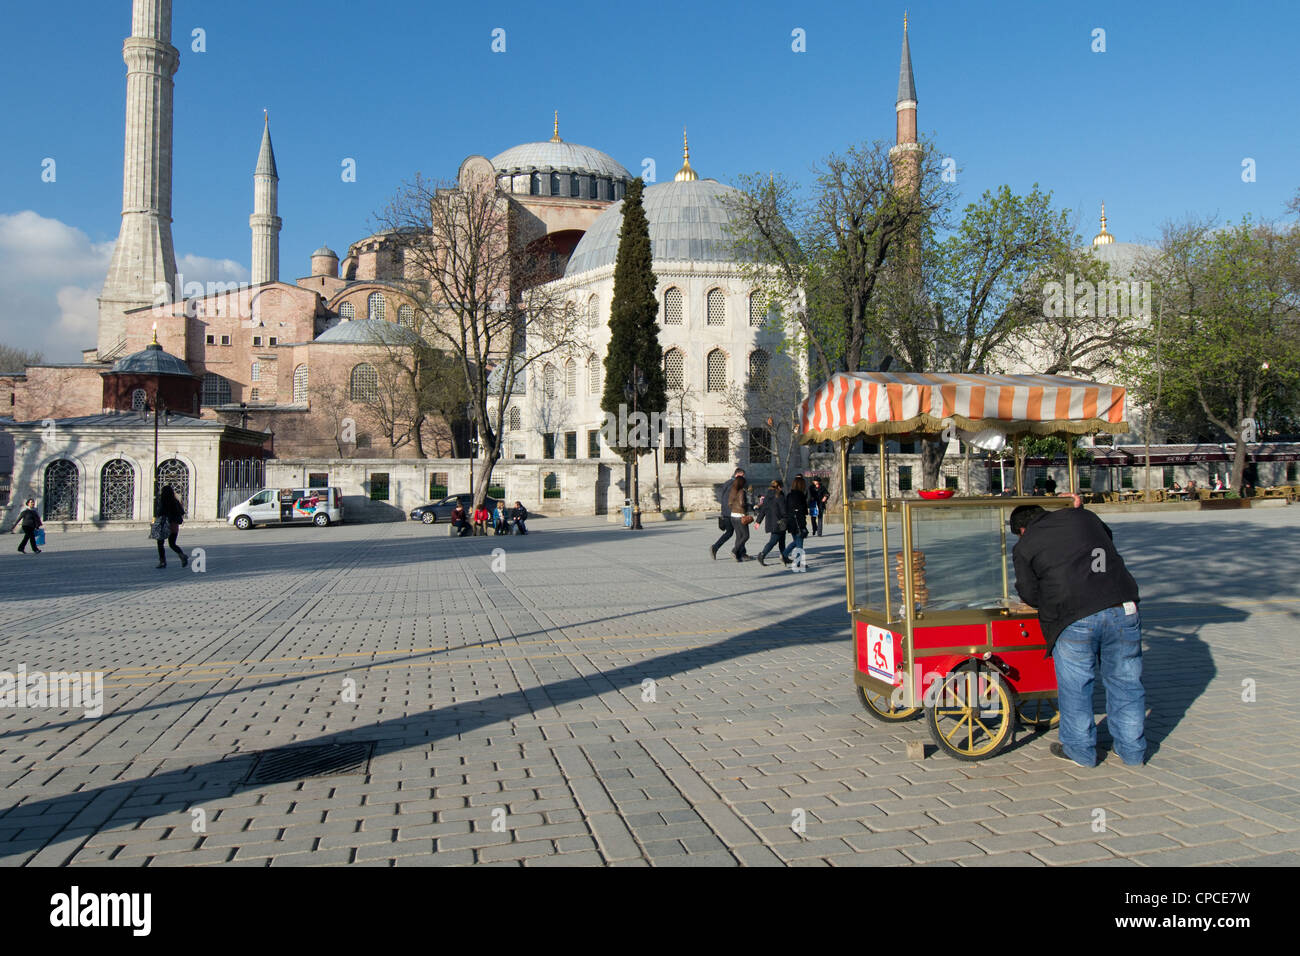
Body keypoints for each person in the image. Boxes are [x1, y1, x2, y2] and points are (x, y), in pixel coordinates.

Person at [1009, 503, 1145, 768]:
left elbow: (1029, 594)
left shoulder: (1025, 546)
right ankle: (1132, 751)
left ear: (1022, 530)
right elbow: (1105, 538)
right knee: (1126, 682)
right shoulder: (1083, 517)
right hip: (1123, 606)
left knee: (1077, 686)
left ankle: (1081, 751)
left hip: (1074, 616)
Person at [710, 467, 746, 559]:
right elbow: (732, 500)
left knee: (731, 533)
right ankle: (739, 553)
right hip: (732, 513)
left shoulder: (727, 483)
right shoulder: (734, 485)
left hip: (726, 512)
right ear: (737, 475)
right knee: (741, 533)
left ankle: (715, 547)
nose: (743, 478)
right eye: (742, 476)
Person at [756, 480, 789, 567]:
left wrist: (758, 521)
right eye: (781, 487)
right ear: (778, 487)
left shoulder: (767, 496)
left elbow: (763, 509)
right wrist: (788, 517)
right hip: (779, 521)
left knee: (782, 540)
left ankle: (784, 556)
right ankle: (762, 555)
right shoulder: (779, 496)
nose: (782, 488)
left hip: (771, 521)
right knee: (773, 541)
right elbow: (783, 510)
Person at [154, 485, 188, 569]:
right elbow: (181, 512)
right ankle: (182, 555)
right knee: (172, 544)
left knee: (160, 543)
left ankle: (162, 561)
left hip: (164, 524)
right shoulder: (175, 501)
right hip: (174, 525)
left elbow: (159, 513)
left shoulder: (162, 501)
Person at [785, 476, 808, 563]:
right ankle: (798, 562)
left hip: (791, 521)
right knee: (799, 543)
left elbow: (786, 508)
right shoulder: (800, 495)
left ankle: (784, 554)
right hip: (799, 522)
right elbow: (803, 510)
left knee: (796, 541)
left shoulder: (789, 495)